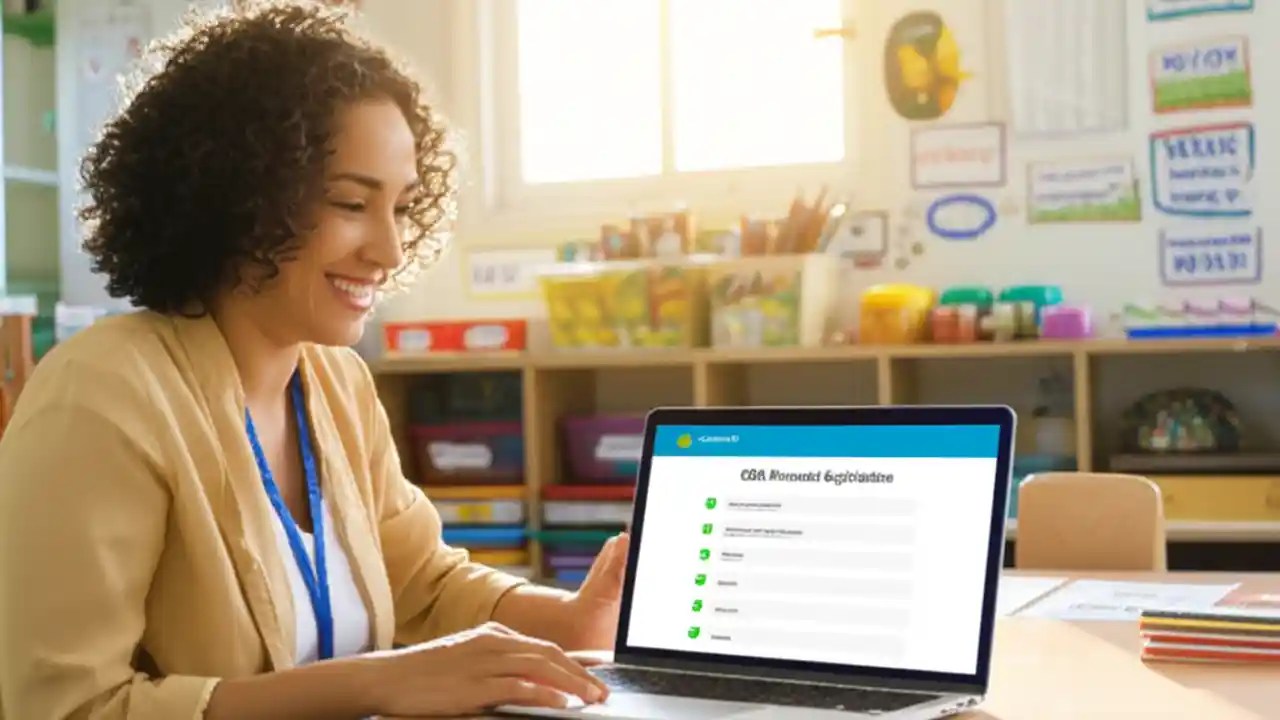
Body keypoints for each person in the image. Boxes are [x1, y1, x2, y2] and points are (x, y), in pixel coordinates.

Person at [0, 2, 628, 718]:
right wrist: (375, 682)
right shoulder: (102, 393)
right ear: (241, 198)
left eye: (401, 208)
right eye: (351, 203)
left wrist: (571, 619)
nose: (390, 250)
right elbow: (66, 707)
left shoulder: (335, 381)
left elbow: (423, 583)